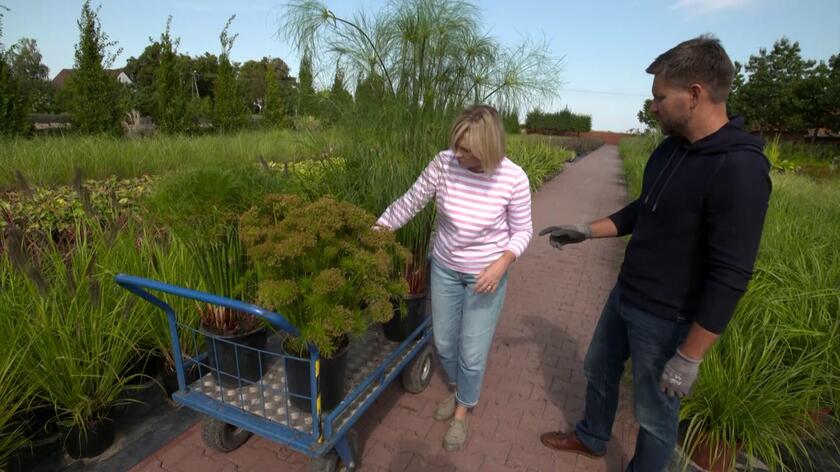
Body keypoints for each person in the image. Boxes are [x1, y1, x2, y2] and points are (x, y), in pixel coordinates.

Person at [538, 35, 772, 471]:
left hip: (668, 320)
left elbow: (731, 275)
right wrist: (585, 231)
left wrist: (690, 356)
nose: (653, 107)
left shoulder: (739, 169)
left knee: (656, 418)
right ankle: (592, 436)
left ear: (695, 94)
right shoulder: (670, 149)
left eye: (660, 97)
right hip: (627, 293)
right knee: (598, 370)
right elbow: (643, 210)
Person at [375, 105, 533, 451]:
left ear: (488, 148)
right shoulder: (444, 164)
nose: (458, 155)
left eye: (467, 150)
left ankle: (462, 409)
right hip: (445, 267)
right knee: (445, 344)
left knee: (472, 353)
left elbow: (523, 231)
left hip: (486, 277)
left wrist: (502, 263)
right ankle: (462, 389)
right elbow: (409, 202)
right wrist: (378, 230)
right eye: (456, 146)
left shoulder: (513, 179)